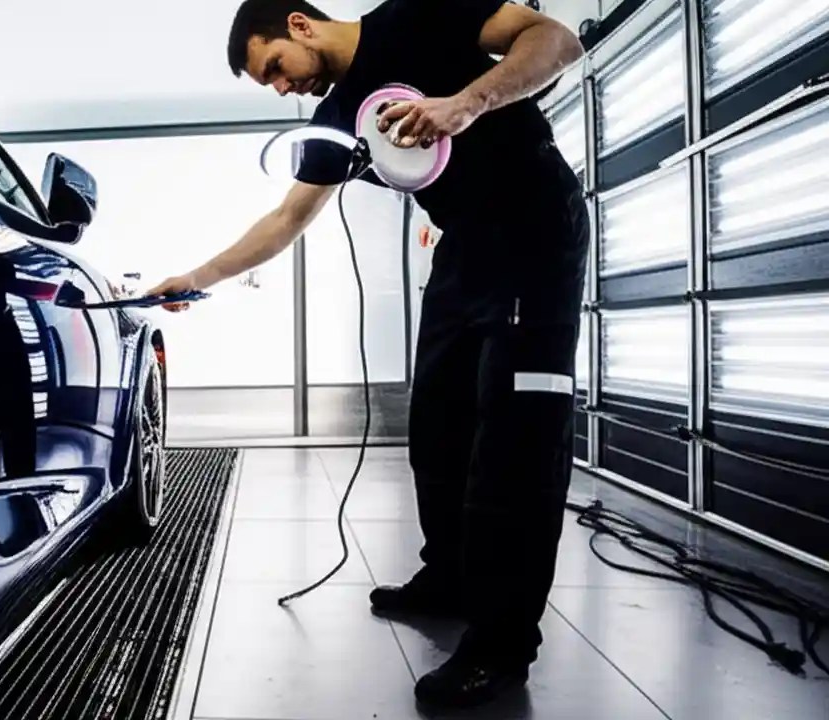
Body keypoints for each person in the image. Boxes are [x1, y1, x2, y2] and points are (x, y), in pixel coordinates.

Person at [148, 0, 589, 710]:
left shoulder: (418, 16)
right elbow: (288, 217)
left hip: (536, 223)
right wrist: (198, 278)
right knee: (437, 427)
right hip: (466, 247)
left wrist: (467, 104)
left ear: (298, 25)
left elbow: (556, 41)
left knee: (515, 443)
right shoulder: (336, 120)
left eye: (276, 71)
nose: (285, 89)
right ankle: (448, 576)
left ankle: (502, 646)